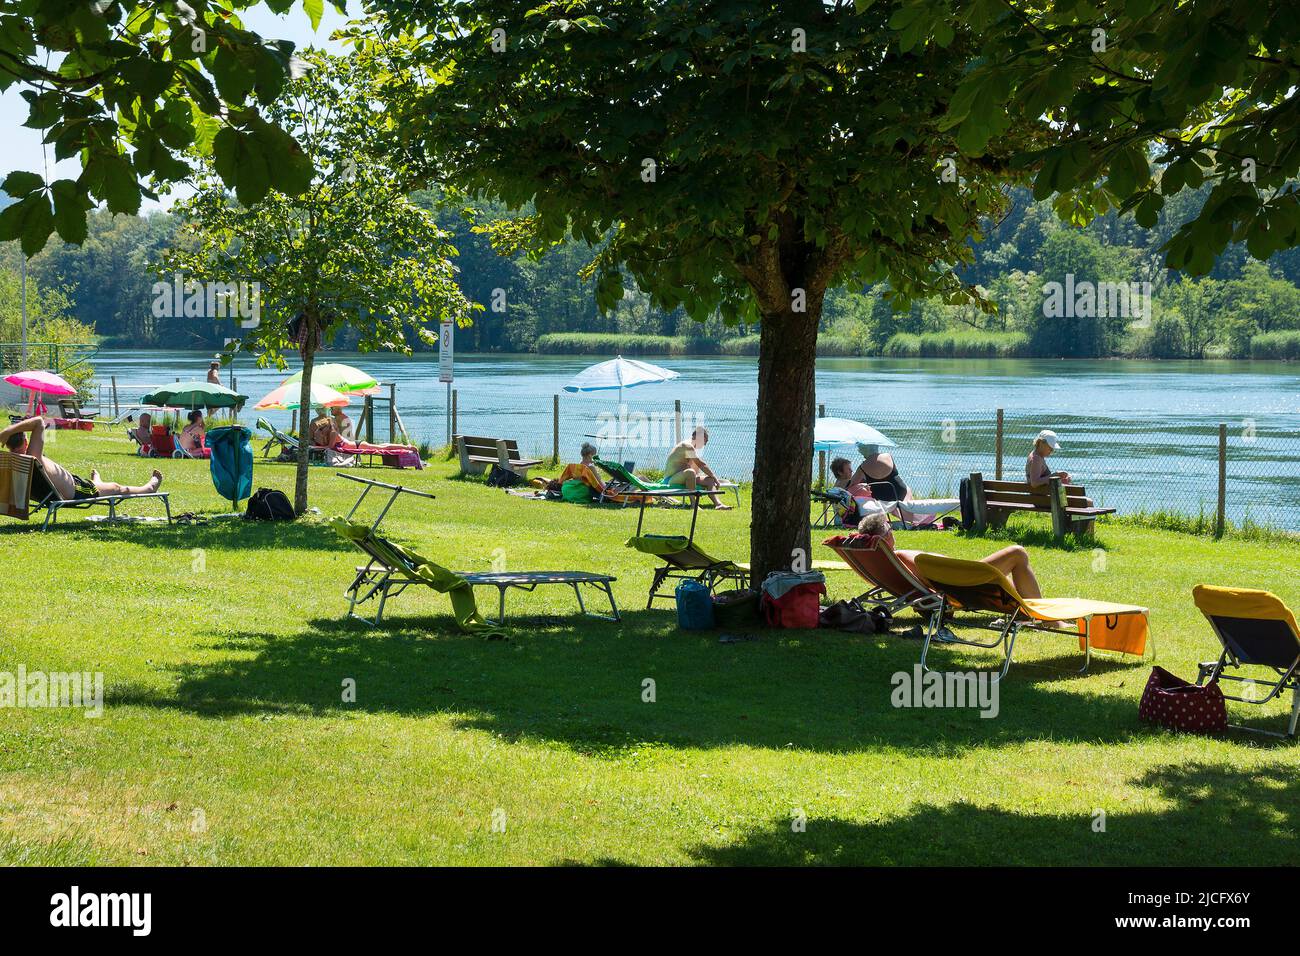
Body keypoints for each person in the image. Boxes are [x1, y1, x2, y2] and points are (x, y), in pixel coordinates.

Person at [857, 509, 1042, 599]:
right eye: (889, 530)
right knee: (1017, 553)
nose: (892, 532)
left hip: (957, 580)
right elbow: (931, 577)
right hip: (962, 581)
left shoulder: (886, 563)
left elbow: (921, 583)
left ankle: (1025, 606)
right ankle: (1046, 617)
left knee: (1009, 567)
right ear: (885, 536)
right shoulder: (899, 557)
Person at [1, 417, 163, 503]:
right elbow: (39, 422)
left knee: (97, 485)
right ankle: (149, 488)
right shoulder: (32, 457)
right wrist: (8, 430)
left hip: (65, 486)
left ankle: (97, 481)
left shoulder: (11, 464)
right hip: (78, 490)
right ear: (27, 442)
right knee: (116, 487)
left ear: (7, 445)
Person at [664, 426, 730, 510]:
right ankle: (693, 505)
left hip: (683, 476)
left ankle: (718, 504)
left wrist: (711, 478)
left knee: (709, 480)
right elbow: (700, 464)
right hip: (671, 479)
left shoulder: (691, 448)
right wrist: (715, 477)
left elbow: (697, 467)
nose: (705, 444)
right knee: (690, 472)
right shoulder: (687, 446)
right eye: (705, 441)